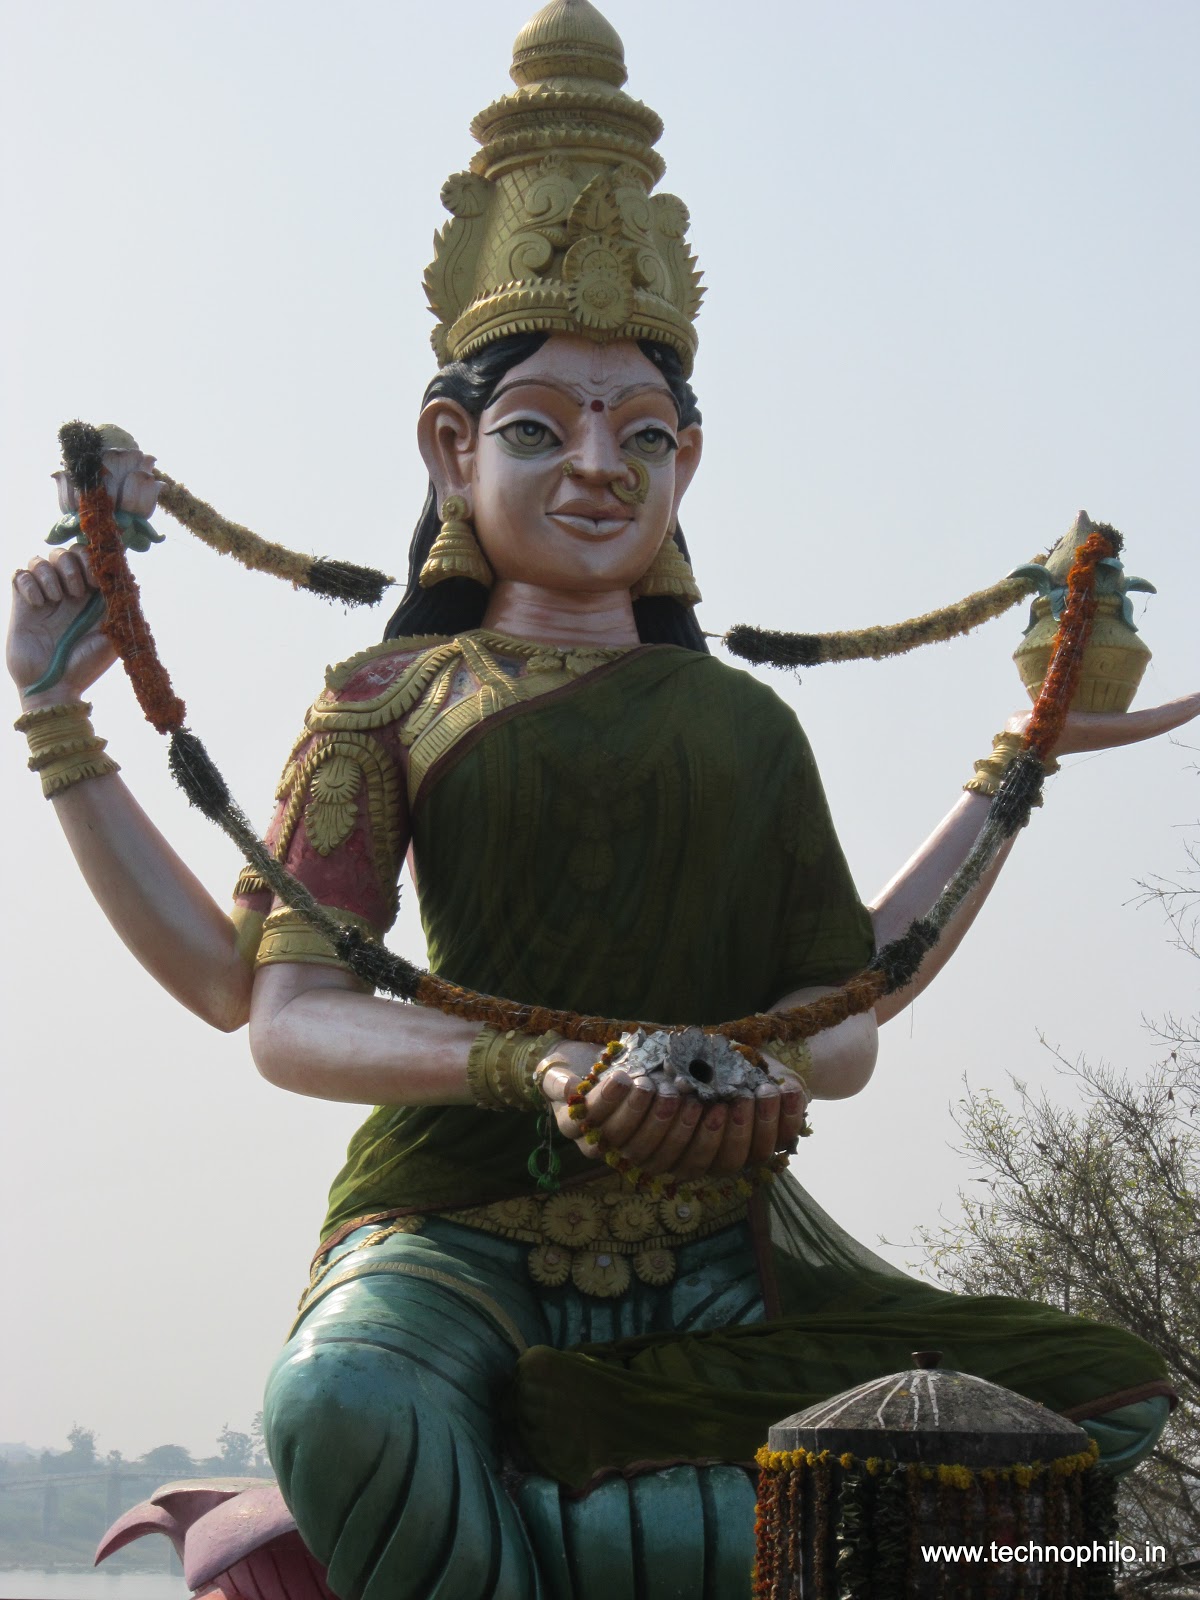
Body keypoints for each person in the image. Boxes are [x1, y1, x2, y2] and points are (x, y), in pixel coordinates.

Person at [9, 3, 1199, 1597]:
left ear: (689, 465)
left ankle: (538, 1496)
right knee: (338, 1398)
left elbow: (845, 1009)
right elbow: (273, 1009)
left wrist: (1019, 757)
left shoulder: (743, 725)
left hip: (717, 1245)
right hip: (456, 1234)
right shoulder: (391, 699)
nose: (596, 468)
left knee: (1098, 1408)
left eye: (644, 433)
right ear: (449, 450)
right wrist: (54, 719)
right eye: (537, 427)